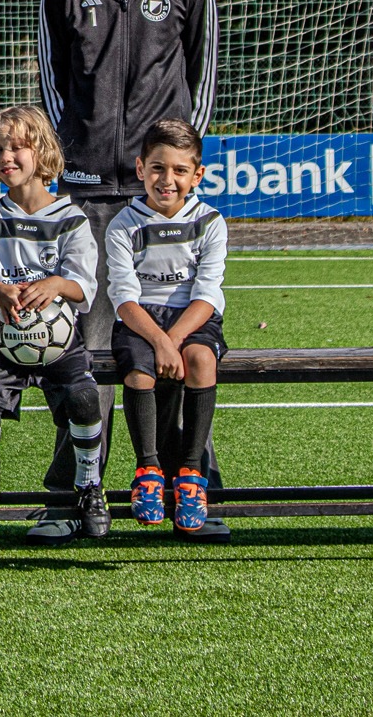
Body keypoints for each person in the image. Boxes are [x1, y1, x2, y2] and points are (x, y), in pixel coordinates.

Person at [32, 0, 218, 540]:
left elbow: (201, 92)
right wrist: (69, 166)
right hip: (84, 197)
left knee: (179, 342)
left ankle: (192, 489)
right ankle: (74, 496)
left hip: (162, 203)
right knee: (81, 348)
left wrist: (165, 176)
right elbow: (54, 96)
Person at [0, 105, 111, 544]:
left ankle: (89, 487)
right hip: (3, 335)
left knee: (85, 400)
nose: (7, 156)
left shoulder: (71, 218)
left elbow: (85, 288)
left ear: (41, 150)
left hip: (59, 338)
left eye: (17, 147)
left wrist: (57, 283)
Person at [106, 118, 228, 535]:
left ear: (197, 176)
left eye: (179, 171)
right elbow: (123, 298)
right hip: (141, 321)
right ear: (140, 169)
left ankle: (192, 476)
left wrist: (173, 340)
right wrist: (159, 341)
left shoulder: (210, 221)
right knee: (139, 372)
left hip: (192, 318)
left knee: (200, 361)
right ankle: (149, 470)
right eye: (158, 168)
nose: (167, 180)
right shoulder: (124, 224)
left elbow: (208, 294)